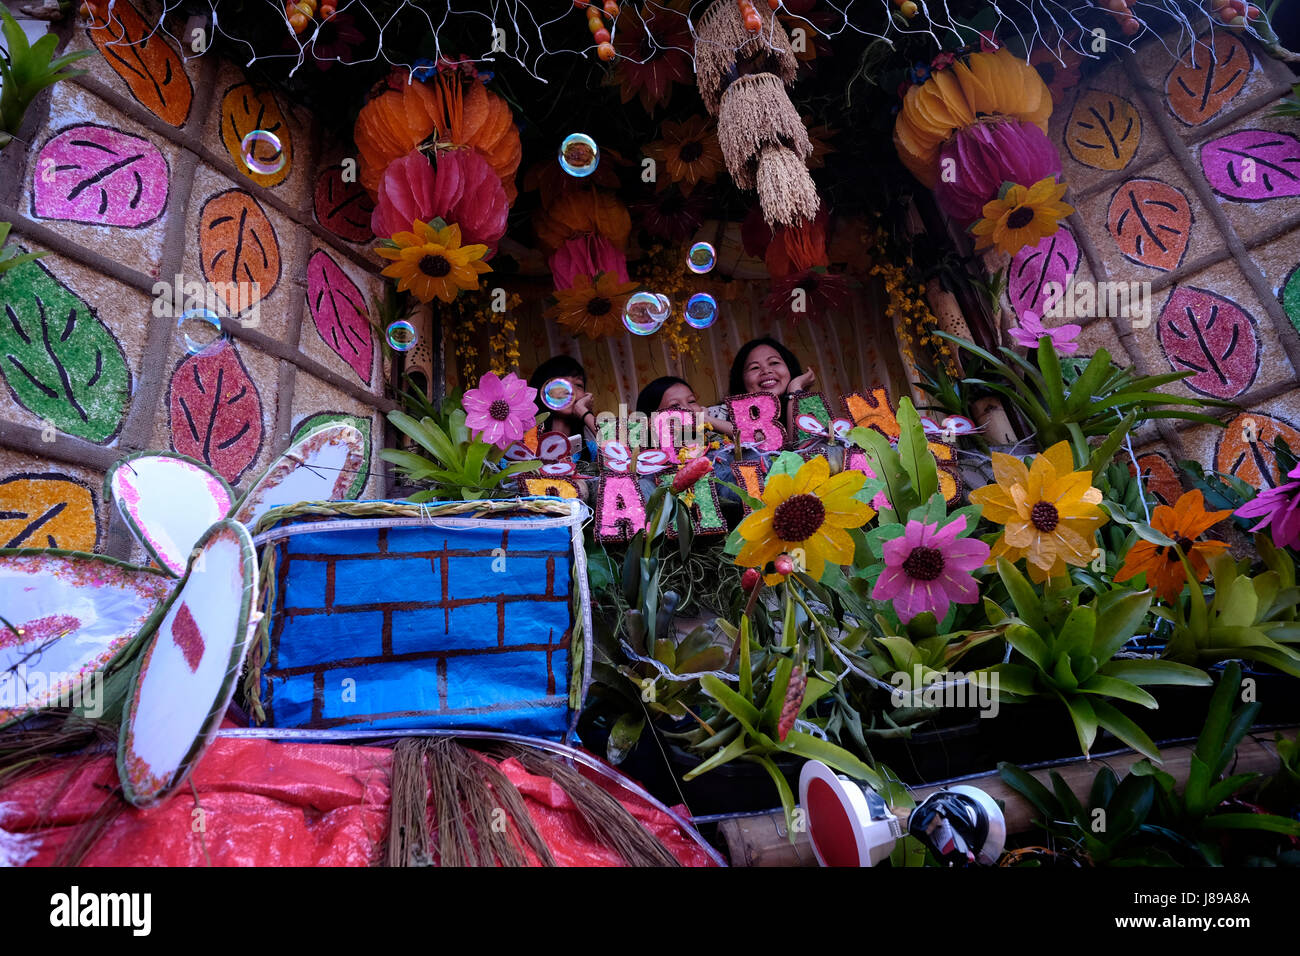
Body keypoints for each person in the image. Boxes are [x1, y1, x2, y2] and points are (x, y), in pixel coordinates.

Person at [727, 337, 816, 433]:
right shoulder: (717, 417)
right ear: (741, 379)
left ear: (790, 369)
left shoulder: (813, 411)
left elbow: (805, 443)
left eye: (774, 362)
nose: (766, 371)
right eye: (755, 367)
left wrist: (795, 388)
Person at [528, 355, 598, 460]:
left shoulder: (590, 449)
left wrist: (584, 412)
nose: (570, 390)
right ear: (543, 389)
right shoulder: (525, 444)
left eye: (578, 385)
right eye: (561, 383)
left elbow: (620, 452)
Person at [635, 375, 736, 440]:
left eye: (691, 401)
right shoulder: (649, 463)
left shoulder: (711, 434)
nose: (688, 409)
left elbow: (747, 435)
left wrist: (706, 419)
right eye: (674, 405)